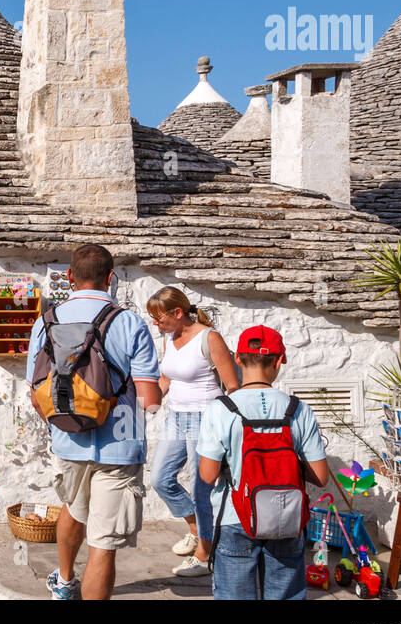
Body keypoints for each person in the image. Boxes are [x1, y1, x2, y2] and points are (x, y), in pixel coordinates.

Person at [25, 244, 162, 600]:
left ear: (69, 277)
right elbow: (149, 401)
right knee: (102, 544)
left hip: (68, 441)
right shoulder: (130, 322)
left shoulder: (46, 322)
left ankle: (65, 581)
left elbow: (34, 391)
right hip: (120, 444)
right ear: (111, 278)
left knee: (74, 508)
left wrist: (62, 422)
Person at [197, 325, 331, 600]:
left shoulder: (220, 408)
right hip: (287, 518)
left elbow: (208, 475)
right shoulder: (298, 409)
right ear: (280, 360)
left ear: (237, 359)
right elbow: (321, 477)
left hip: (236, 517)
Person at [145, 286, 240, 578]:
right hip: (176, 416)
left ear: (177, 313)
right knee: (160, 478)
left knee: (202, 489)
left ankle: (204, 554)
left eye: (159, 318)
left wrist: (226, 426)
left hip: (204, 418)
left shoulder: (209, 338)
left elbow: (233, 387)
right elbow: (165, 378)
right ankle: (197, 529)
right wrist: (148, 402)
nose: (155, 324)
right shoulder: (170, 337)